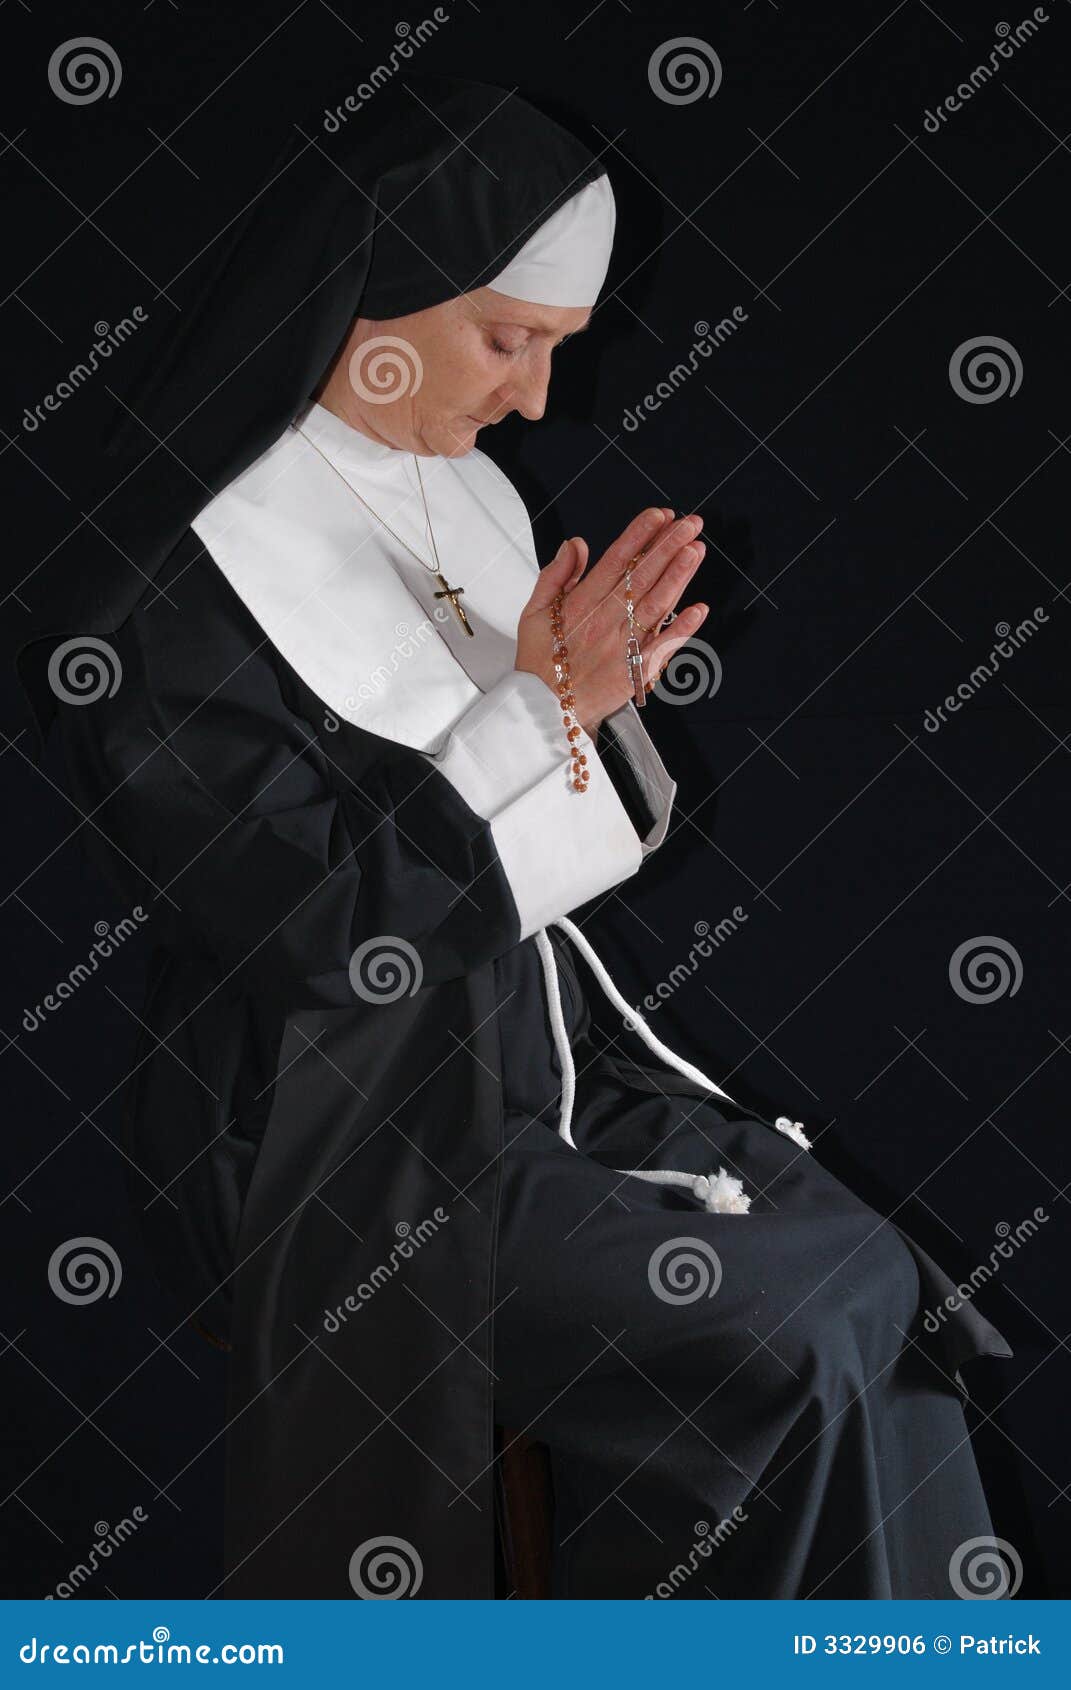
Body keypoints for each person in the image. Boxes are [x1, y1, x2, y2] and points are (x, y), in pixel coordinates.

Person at [13, 70, 1011, 1600]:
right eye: (512, 339)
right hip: (324, 1129)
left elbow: (557, 850)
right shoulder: (157, 596)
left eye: (556, 348)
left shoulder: (458, 491)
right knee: (804, 1325)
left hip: (535, 1077)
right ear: (370, 297)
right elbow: (338, 944)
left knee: (891, 1311)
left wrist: (591, 707)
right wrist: (541, 708)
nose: (539, 399)